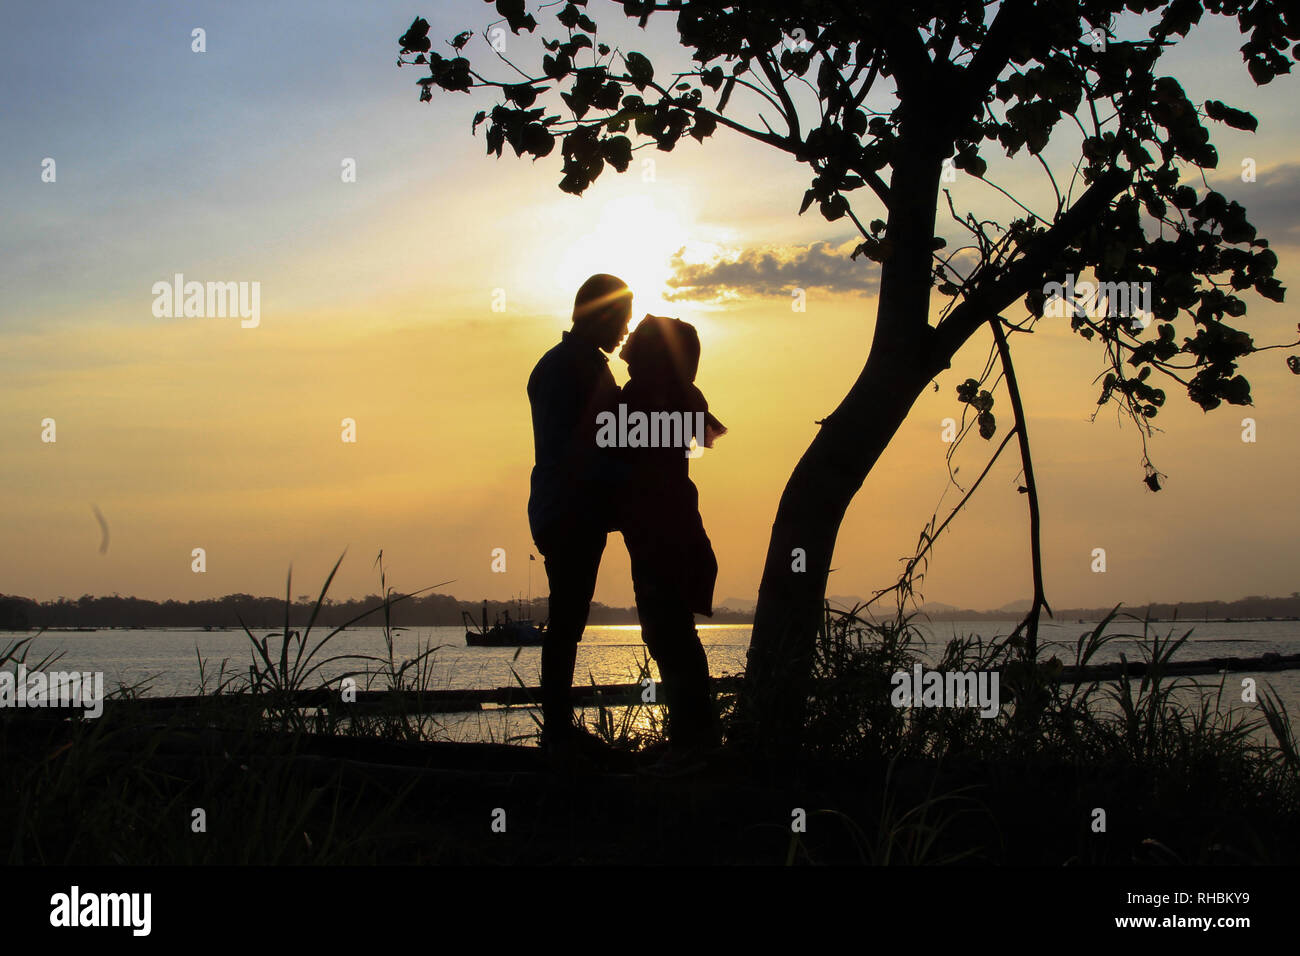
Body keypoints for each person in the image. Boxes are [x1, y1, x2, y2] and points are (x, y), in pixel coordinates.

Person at [527, 274, 632, 762]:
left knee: (567, 618)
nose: (625, 332)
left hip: (564, 507)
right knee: (567, 619)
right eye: (622, 320)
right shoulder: (574, 367)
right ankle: (557, 732)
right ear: (601, 315)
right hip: (570, 509)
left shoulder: (570, 363)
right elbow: (589, 441)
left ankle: (558, 729)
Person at [616, 315, 725, 762]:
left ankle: (692, 743)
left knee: (668, 635)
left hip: (661, 533)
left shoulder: (642, 397)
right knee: (675, 635)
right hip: (678, 528)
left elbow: (619, 458)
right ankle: (696, 738)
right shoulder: (685, 396)